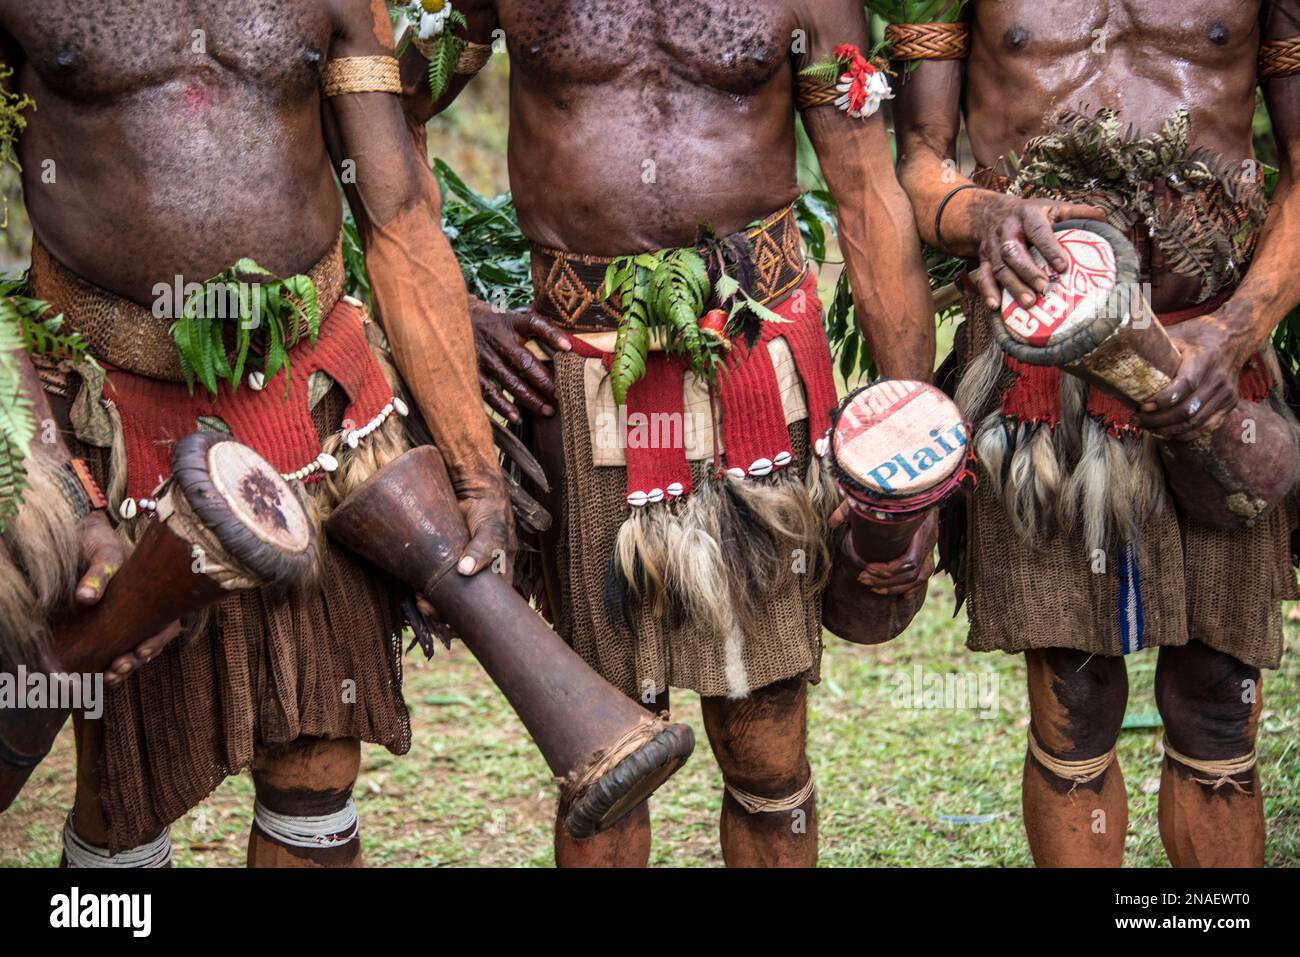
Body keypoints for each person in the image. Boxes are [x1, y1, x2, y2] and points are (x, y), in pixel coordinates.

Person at [394, 0, 937, 866]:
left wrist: (914, 445)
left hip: (755, 366)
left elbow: (868, 191)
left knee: (767, 740)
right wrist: (450, 305)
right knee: (603, 750)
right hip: (578, 381)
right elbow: (385, 112)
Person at [0, 0, 509, 867]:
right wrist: (60, 486)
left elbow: (398, 222)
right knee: (121, 784)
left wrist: (476, 470)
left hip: (311, 406)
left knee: (318, 759)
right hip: (99, 413)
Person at [893, 1, 1300, 866]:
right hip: (1043, 378)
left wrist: (1238, 328)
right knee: (1072, 697)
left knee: (1219, 696)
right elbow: (920, 164)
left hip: (1214, 352)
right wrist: (984, 214)